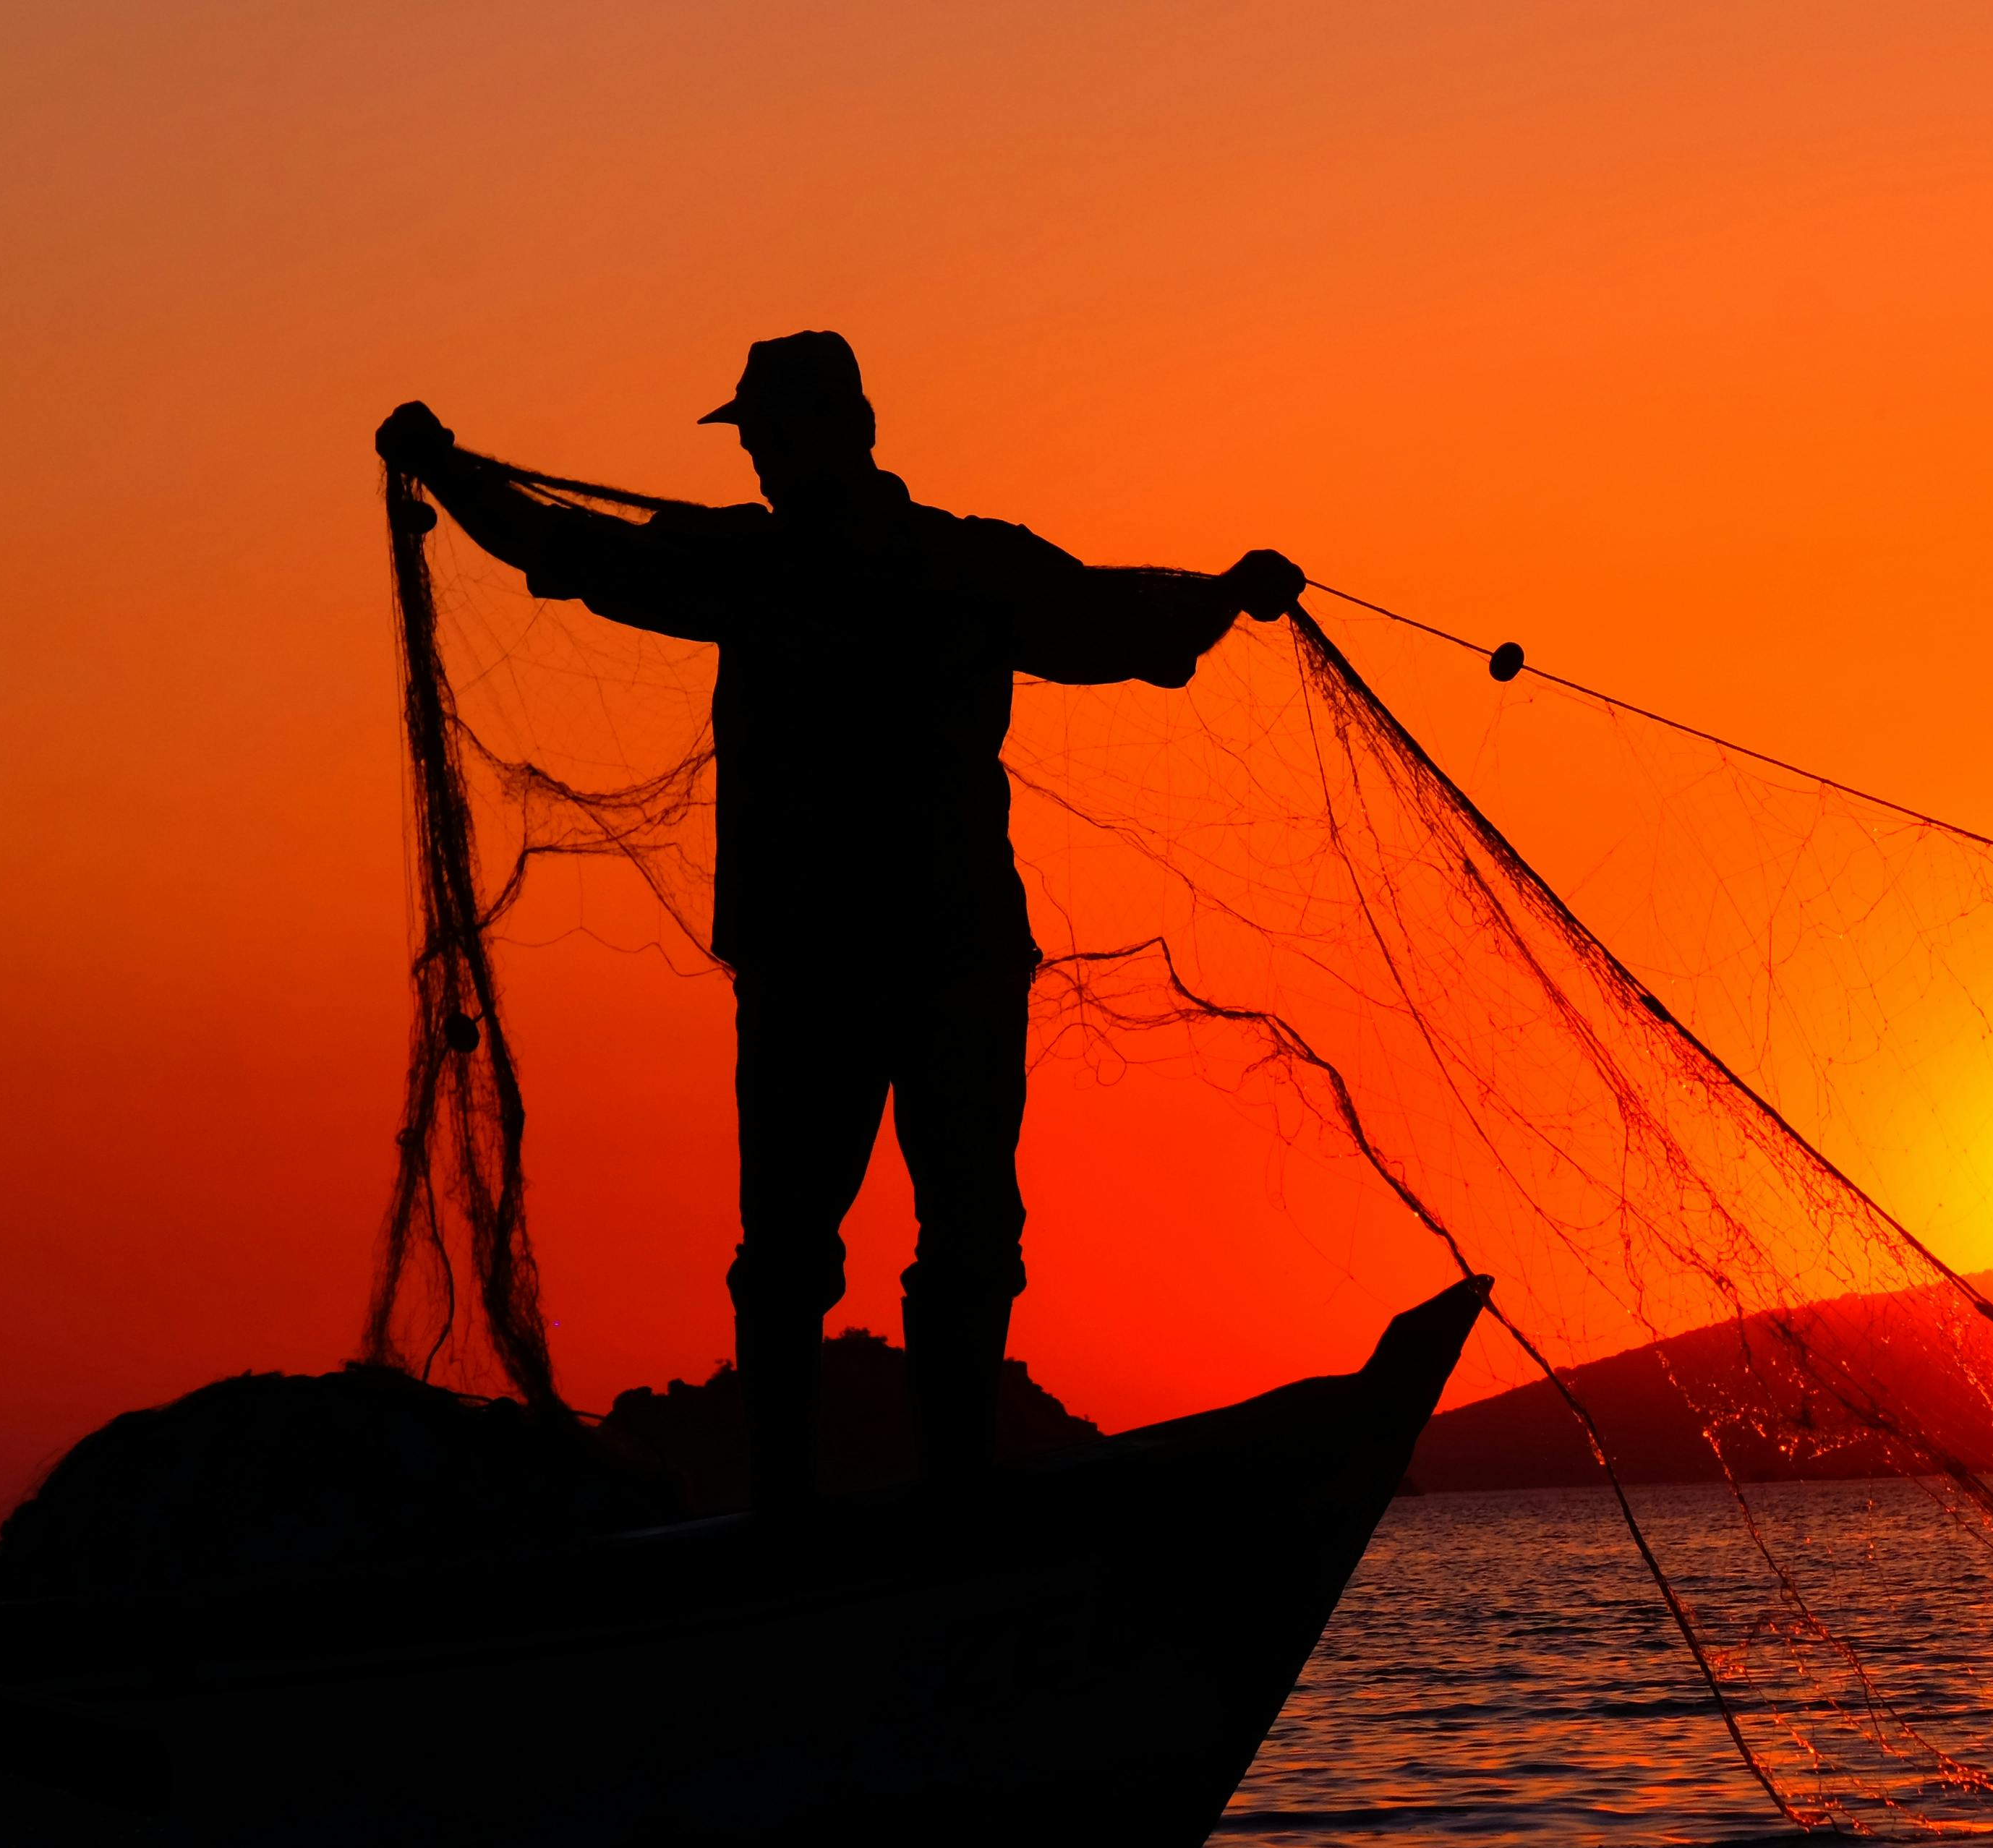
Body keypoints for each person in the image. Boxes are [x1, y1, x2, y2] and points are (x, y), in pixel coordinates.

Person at [375, 331, 1303, 1514]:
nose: (760, 452)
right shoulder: (891, 564)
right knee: (857, 1242)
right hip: (894, 958)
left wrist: (1221, 595)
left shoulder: (814, 566)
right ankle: (848, 1507)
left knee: (883, 1240)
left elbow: (1116, 628)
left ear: (844, 431)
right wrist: (1223, 596)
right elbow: (1121, 629)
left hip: (872, 961)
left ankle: (873, 1502)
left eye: (772, 431)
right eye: (754, 436)